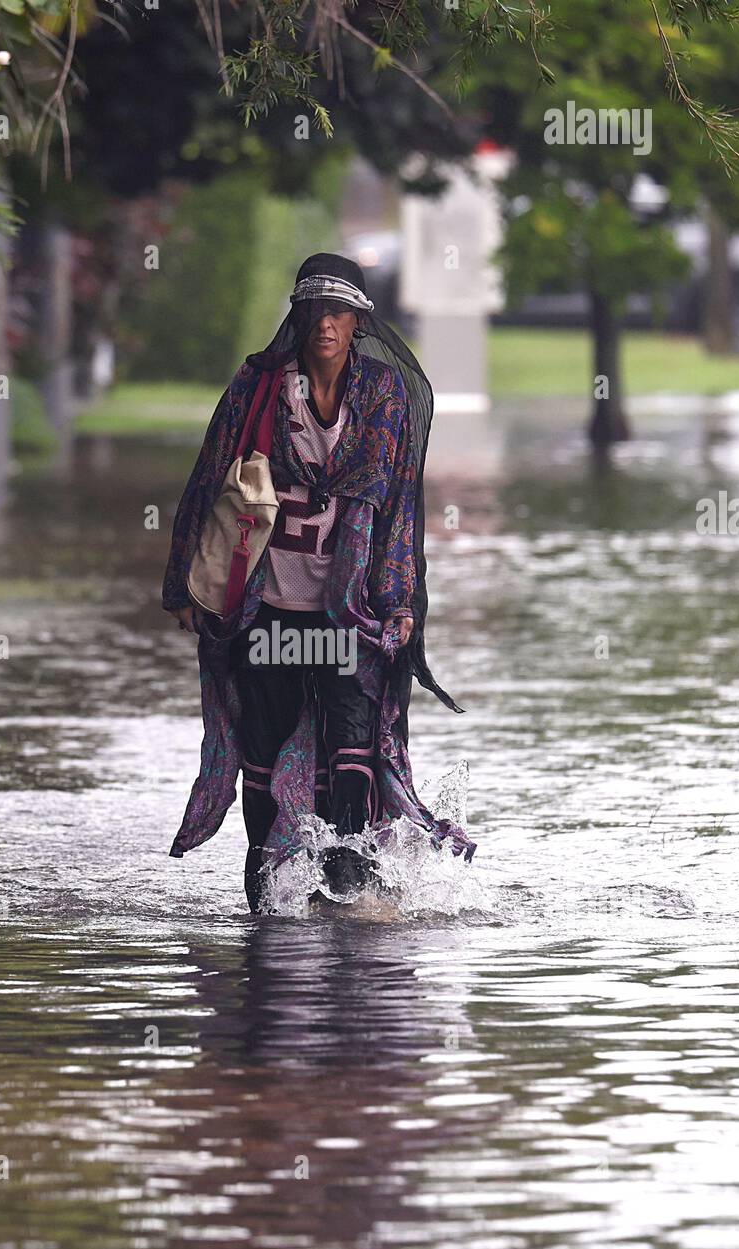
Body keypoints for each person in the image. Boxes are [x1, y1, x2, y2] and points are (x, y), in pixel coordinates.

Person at [162, 252, 476, 911]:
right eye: (313, 309)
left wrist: (400, 603)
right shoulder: (258, 390)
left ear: (358, 321)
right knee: (264, 756)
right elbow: (208, 479)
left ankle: (351, 891)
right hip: (265, 609)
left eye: (337, 311)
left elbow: (397, 509)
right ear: (299, 316)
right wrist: (185, 589)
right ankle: (267, 898)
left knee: (353, 752)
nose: (324, 324)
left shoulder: (384, 396)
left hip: (350, 617)